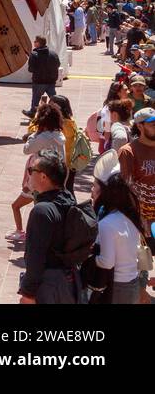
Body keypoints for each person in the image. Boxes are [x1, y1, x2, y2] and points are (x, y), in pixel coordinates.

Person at [18, 150, 92, 304]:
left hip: (49, 285)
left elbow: (35, 257)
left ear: (43, 176)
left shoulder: (42, 211)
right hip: (70, 281)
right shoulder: (68, 200)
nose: (29, 174)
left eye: (31, 170)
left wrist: (28, 294)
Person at [9, 101, 65, 244]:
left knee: (22, 207)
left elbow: (27, 149)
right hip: (54, 179)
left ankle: (24, 233)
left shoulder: (42, 137)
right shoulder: (58, 136)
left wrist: (33, 134)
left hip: (39, 180)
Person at [92, 172, 145, 304]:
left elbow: (107, 262)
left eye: (94, 186)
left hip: (117, 288)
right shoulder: (130, 218)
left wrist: (91, 258)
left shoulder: (107, 223)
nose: (92, 190)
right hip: (132, 284)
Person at [117, 106, 155, 255]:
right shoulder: (128, 152)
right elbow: (125, 189)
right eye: (153, 124)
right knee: (142, 265)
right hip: (142, 221)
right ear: (140, 126)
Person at [25, 35, 61, 117]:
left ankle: (33, 112)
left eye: (35, 41)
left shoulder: (34, 55)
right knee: (54, 99)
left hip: (39, 82)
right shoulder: (53, 54)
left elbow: (31, 69)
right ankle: (59, 112)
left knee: (36, 99)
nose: (34, 42)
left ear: (38, 43)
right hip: (51, 81)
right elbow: (58, 64)